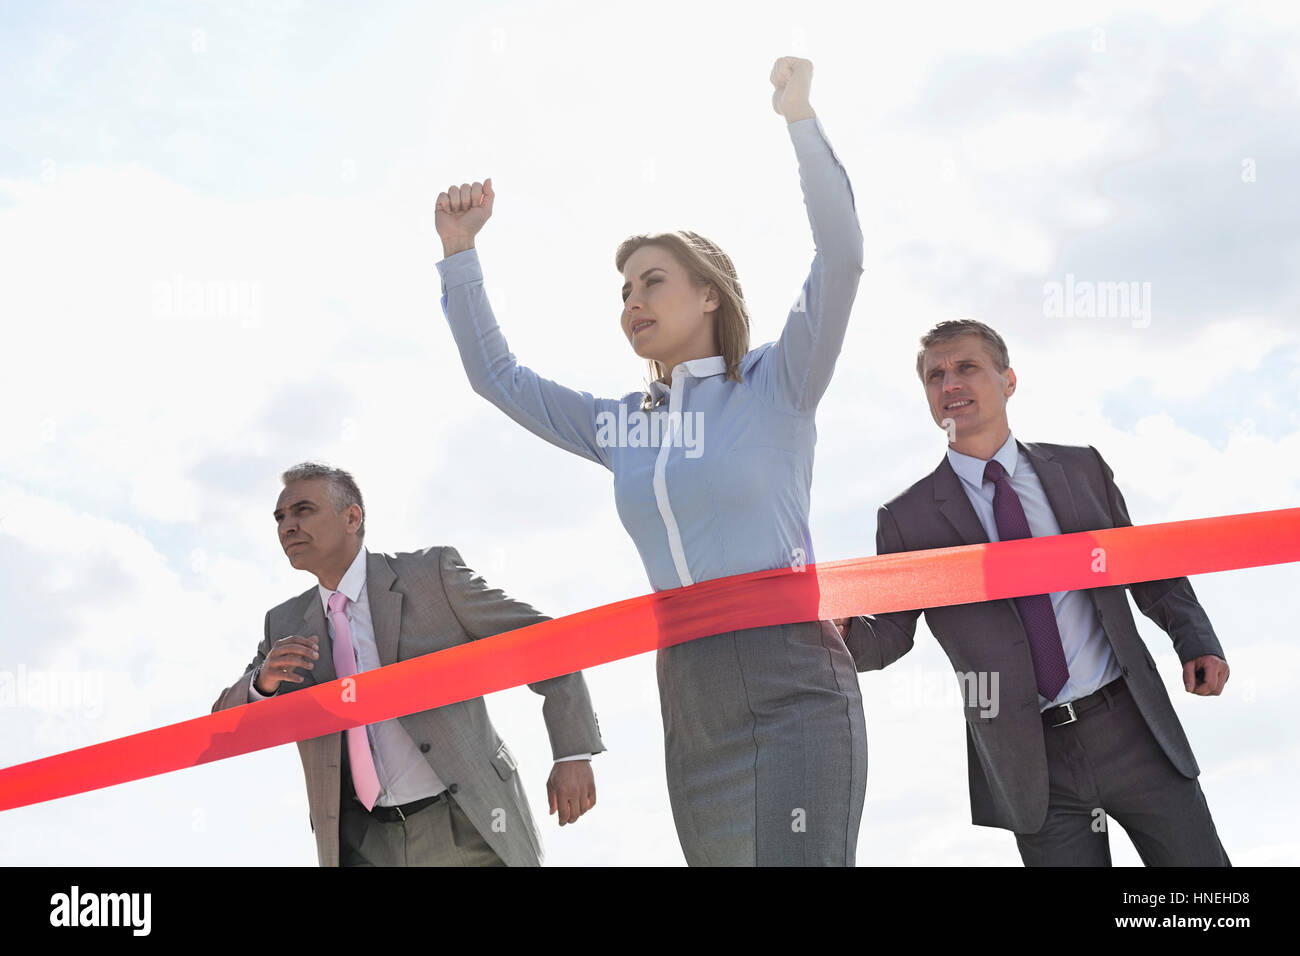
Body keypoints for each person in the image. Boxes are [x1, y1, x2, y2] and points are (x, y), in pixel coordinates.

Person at [434, 56, 866, 865]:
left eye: (652, 282)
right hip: (690, 694)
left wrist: (800, 121)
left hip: (795, 682)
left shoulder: (780, 381)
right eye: (625, 290)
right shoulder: (619, 426)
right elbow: (497, 379)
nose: (632, 302)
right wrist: (460, 254)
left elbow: (840, 259)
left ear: (710, 294)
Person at [835, 319, 1231, 866]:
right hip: (1029, 761)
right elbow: (891, 634)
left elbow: (1147, 567)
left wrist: (1195, 640)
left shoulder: (1080, 468)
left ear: (1009, 380)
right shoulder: (908, 519)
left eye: (966, 367)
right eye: (935, 375)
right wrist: (840, 633)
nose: (949, 383)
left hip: (1132, 727)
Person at [212, 462, 605, 866]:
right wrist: (263, 683)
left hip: (469, 827)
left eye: (303, 510)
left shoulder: (431, 577)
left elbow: (543, 641)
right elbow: (222, 729)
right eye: (280, 517)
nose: (287, 526)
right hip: (365, 846)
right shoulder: (284, 623)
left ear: (352, 517)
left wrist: (572, 753)